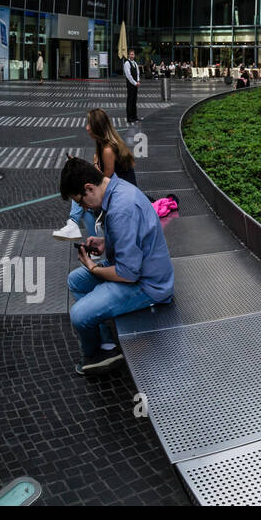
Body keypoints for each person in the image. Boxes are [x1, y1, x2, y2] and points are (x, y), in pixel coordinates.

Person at [60, 156, 174, 376]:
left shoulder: (121, 209)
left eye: (81, 202)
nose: (84, 208)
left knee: (79, 315)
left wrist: (93, 267)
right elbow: (132, 240)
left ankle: (94, 357)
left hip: (148, 284)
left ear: (89, 188)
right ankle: (107, 345)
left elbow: (128, 274)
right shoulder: (117, 187)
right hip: (137, 269)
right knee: (75, 280)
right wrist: (105, 243)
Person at [53, 109, 138, 240]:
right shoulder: (103, 145)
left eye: (89, 124)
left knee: (83, 197)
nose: (87, 128)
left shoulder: (108, 150)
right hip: (118, 190)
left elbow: (104, 181)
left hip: (122, 194)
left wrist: (90, 166)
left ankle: (76, 226)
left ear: (97, 127)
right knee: (83, 199)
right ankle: (78, 228)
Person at [123, 49, 140, 125]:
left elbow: (138, 73)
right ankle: (129, 117)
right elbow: (128, 75)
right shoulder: (127, 63)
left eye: (133, 54)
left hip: (136, 84)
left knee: (134, 100)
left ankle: (134, 116)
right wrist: (135, 83)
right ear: (128, 55)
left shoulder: (135, 63)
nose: (132, 56)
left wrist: (138, 81)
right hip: (130, 84)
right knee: (130, 100)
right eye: (131, 54)